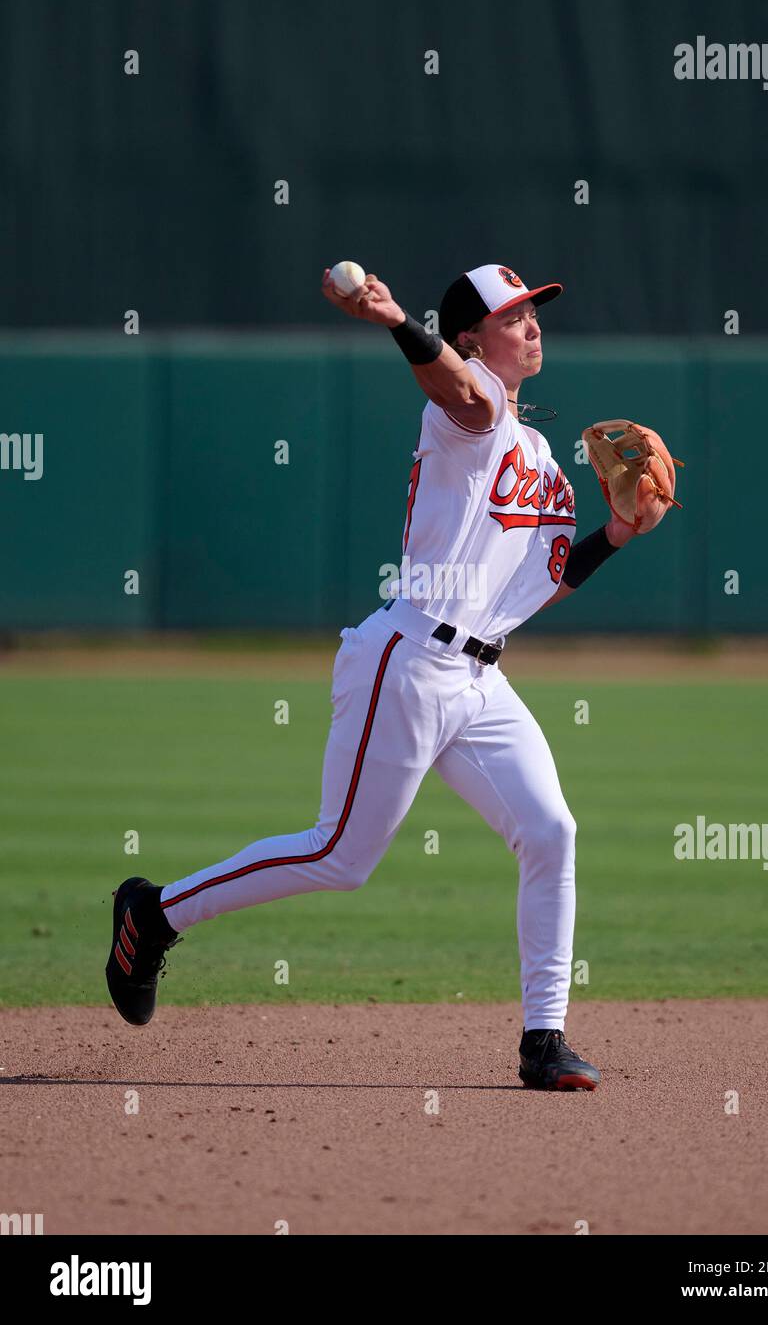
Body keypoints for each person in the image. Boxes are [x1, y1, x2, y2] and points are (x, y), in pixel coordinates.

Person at [106, 263, 670, 1091]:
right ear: (473, 337)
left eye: (533, 310)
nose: (532, 324)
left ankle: (543, 1038)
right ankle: (152, 914)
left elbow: (529, 591)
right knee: (341, 854)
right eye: (514, 314)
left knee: (552, 832)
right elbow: (457, 390)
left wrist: (615, 537)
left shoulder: (544, 457)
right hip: (405, 662)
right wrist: (400, 321)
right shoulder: (469, 408)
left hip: (482, 680)